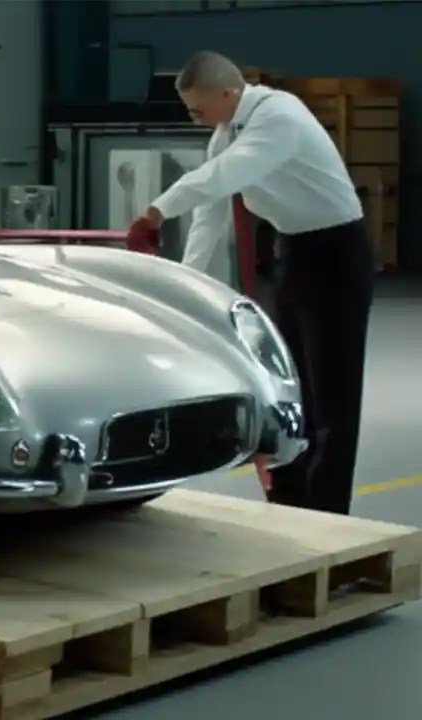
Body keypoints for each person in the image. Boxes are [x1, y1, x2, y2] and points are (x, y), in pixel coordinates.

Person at [127, 51, 374, 516]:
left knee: (332, 396)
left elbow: (224, 176)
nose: (193, 117)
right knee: (289, 385)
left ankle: (326, 518)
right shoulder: (226, 134)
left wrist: (155, 211)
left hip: (338, 254)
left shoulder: (279, 116)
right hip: (293, 253)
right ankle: (288, 502)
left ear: (229, 93)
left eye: (197, 108)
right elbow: (210, 211)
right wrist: (182, 281)